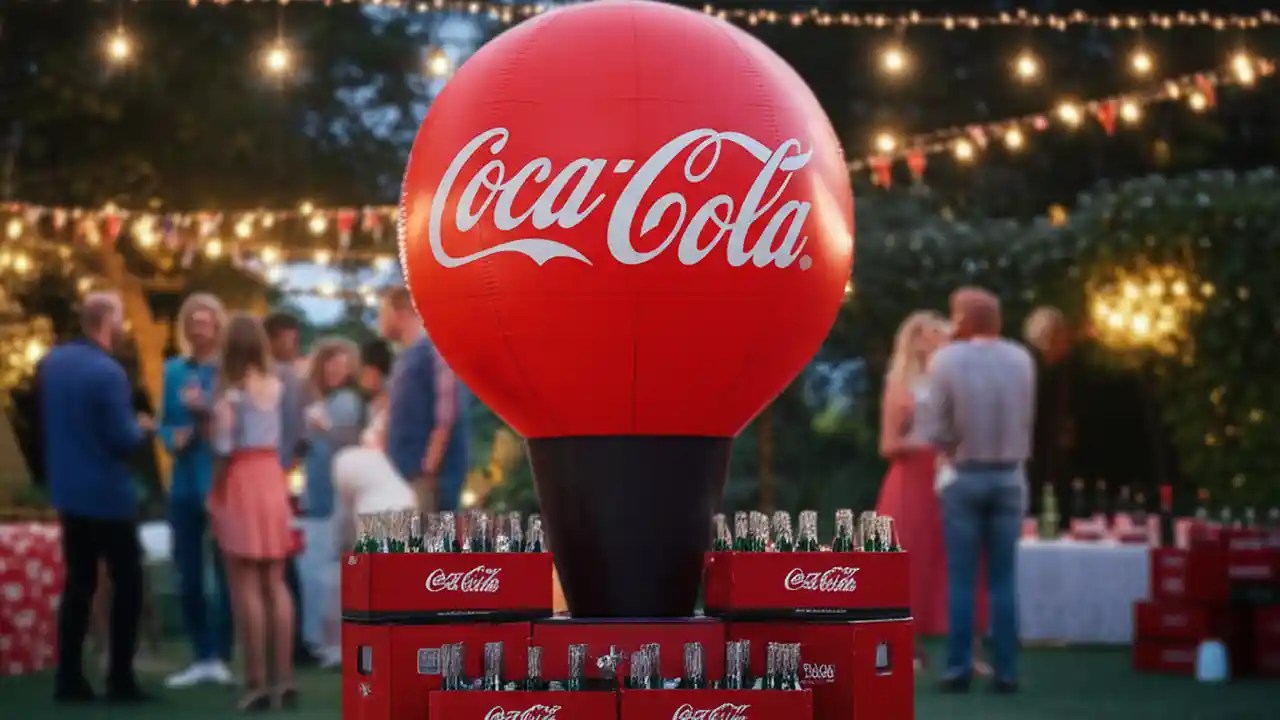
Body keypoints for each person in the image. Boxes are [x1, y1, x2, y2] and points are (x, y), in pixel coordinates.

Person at [917, 287, 1035, 694]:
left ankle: (958, 668)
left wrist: (949, 447)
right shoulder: (1021, 358)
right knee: (1003, 578)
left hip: (964, 475)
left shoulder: (947, 360)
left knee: (962, 578)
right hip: (1010, 475)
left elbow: (934, 428)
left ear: (962, 320)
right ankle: (1006, 670)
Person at [39, 291, 154, 702]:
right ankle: (120, 677)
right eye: (120, 319)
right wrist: (142, 427)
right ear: (108, 322)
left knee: (79, 583)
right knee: (128, 582)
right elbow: (121, 438)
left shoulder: (53, 363)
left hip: (68, 490)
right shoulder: (108, 372)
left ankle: (69, 676)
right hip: (106, 493)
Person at [207, 315, 297, 711]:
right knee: (275, 583)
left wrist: (214, 494)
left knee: (245, 585)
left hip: (242, 479)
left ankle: (257, 681)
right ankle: (285, 678)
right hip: (271, 476)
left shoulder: (230, 396)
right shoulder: (277, 386)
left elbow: (223, 448)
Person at [159, 294, 234, 689]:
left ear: (218, 327)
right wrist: (172, 437)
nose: (199, 329)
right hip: (184, 484)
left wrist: (206, 413)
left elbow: (237, 426)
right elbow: (164, 423)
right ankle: (201, 654)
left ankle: (222, 655)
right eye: (193, 323)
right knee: (187, 573)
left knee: (226, 574)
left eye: (206, 322)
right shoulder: (173, 370)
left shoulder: (228, 371)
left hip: (221, 482)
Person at [874, 311, 950, 666]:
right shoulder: (899, 383)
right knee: (909, 557)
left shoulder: (948, 379)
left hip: (944, 478)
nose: (941, 338)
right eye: (932, 332)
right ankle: (899, 644)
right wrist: (926, 445)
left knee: (941, 560)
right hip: (911, 477)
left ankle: (940, 642)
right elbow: (888, 444)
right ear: (916, 340)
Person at [299, 338, 364, 668]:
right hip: (316, 492)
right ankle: (321, 641)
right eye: (332, 364)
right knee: (316, 571)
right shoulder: (317, 400)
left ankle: (332, 643)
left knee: (329, 573)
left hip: (336, 494)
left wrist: (324, 427)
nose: (337, 370)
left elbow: (350, 442)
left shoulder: (347, 401)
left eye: (343, 365)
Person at [378, 286, 470, 512]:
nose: (380, 321)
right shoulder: (406, 356)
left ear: (400, 313)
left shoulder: (433, 351)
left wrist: (428, 470)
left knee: (425, 531)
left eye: (383, 313)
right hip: (405, 471)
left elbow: (446, 415)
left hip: (425, 477)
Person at [263, 310, 313, 667]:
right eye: (287, 339)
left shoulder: (283, 376)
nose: (291, 346)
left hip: (272, 476)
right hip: (279, 475)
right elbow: (299, 433)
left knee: (279, 562)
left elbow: (297, 432)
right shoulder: (285, 376)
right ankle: (290, 639)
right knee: (284, 561)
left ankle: (288, 639)